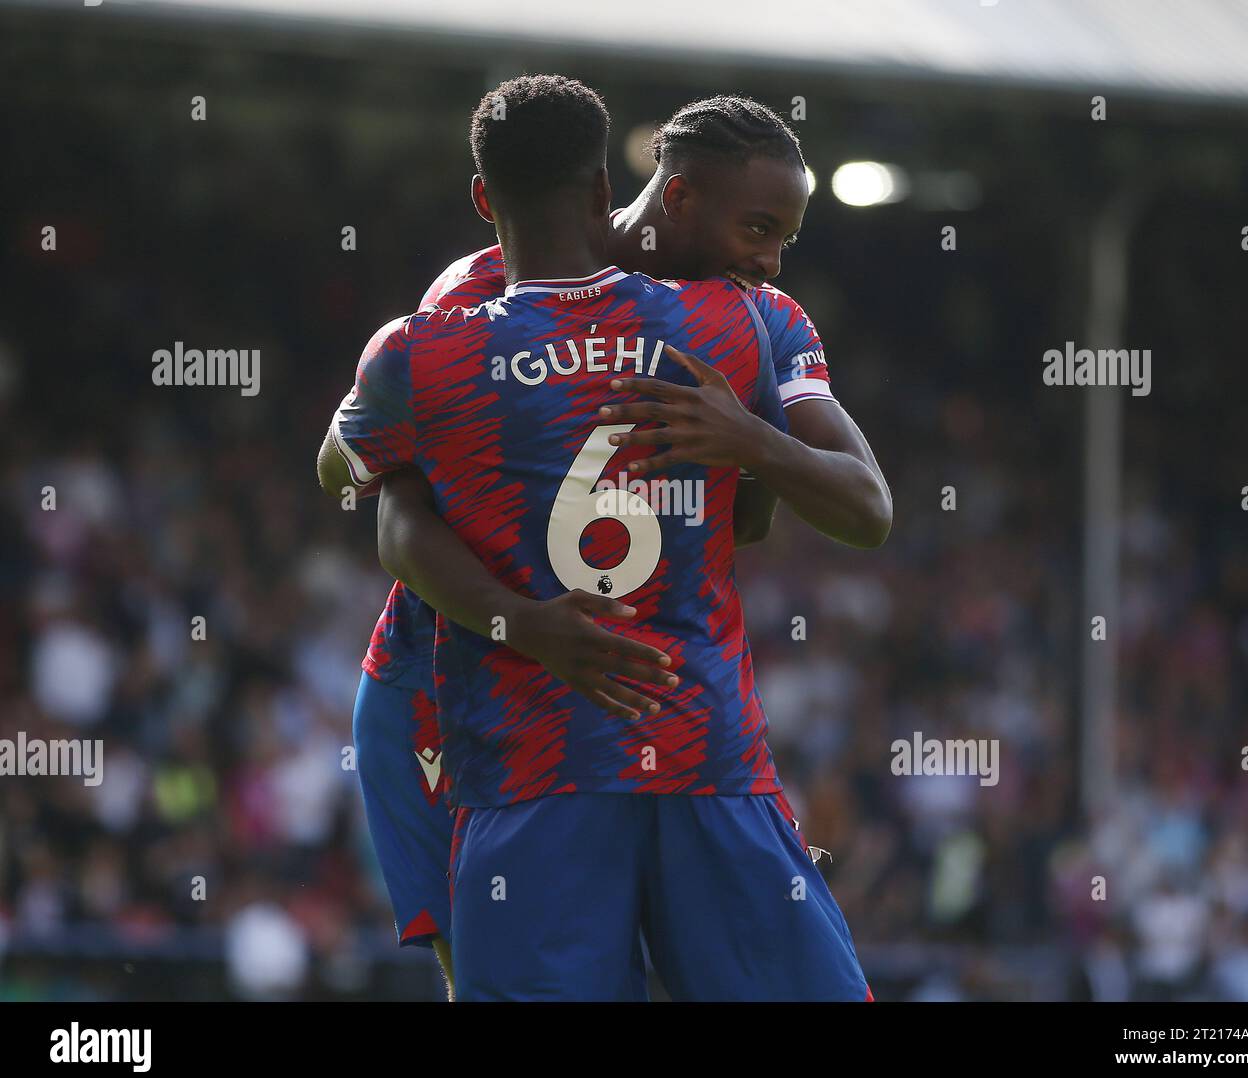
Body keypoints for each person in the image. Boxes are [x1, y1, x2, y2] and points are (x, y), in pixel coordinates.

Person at [319, 75, 875, 1000]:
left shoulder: (743, 320)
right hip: (459, 701)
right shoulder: (492, 299)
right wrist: (516, 620)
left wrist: (744, 442)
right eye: (758, 230)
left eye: (784, 238)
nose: (771, 261)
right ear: (657, 195)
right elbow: (395, 516)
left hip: (645, 726)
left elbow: (853, 505)